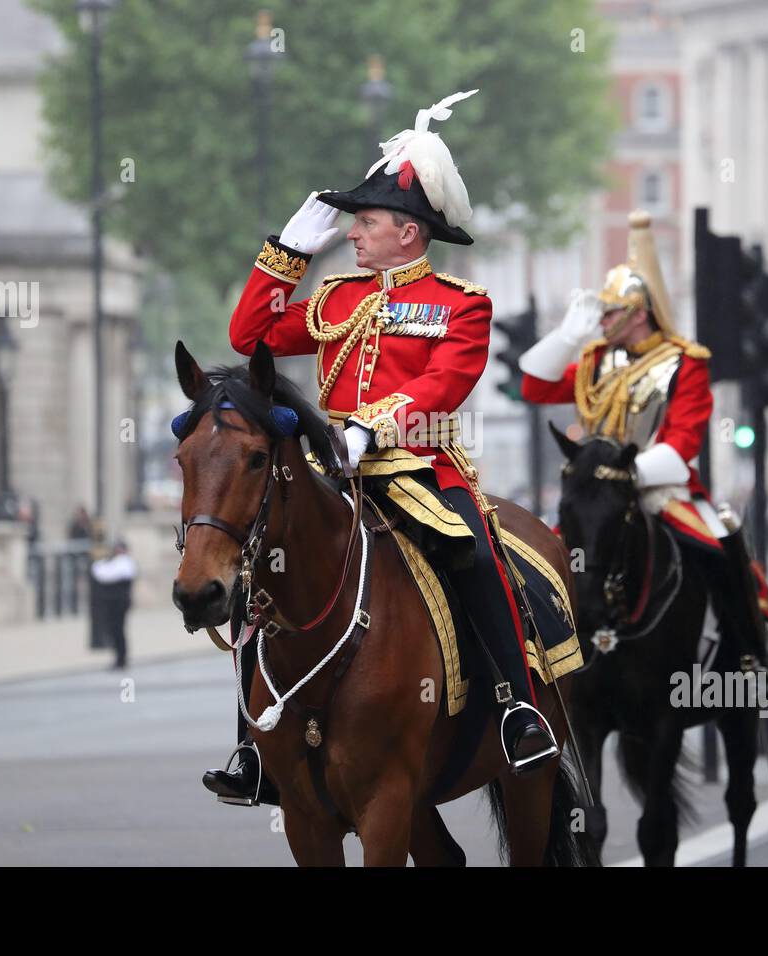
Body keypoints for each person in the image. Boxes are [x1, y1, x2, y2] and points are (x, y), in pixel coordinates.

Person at [202, 89, 560, 806]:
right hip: (332, 472)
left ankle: (517, 708)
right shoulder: (336, 298)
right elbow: (252, 337)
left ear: (408, 231)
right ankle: (251, 746)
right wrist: (287, 252)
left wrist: (378, 426)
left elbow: (446, 379)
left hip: (419, 466)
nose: (353, 234)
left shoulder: (462, 304)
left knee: (477, 552)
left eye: (365, 222)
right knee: (262, 564)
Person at [518, 212, 768, 671]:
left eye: (611, 312)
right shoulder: (598, 360)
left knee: (721, 545)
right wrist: (565, 337)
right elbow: (535, 388)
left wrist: (628, 475)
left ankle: (744, 655)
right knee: (537, 560)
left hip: (658, 487)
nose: (602, 319)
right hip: (597, 492)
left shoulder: (685, 363)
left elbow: (682, 441)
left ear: (638, 313)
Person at [91, 540, 137, 669]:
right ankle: (119, 658)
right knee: (114, 630)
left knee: (118, 630)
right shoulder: (116, 562)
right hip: (112, 602)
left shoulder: (125, 563)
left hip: (119, 602)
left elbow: (104, 574)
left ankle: (121, 659)